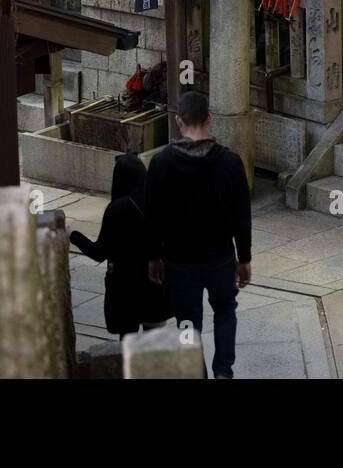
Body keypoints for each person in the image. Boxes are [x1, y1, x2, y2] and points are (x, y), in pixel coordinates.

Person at [145, 91, 252, 379]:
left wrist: (154, 256)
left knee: (186, 322)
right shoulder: (230, 162)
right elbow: (242, 216)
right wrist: (245, 258)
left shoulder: (161, 163)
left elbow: (153, 218)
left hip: (179, 260)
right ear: (209, 119)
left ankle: (194, 373)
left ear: (178, 121)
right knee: (226, 310)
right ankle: (223, 372)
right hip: (220, 255)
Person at [69, 154, 170, 337]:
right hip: (155, 287)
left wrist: (72, 235)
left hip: (125, 290)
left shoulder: (117, 209)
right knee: (155, 346)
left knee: (126, 349)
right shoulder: (160, 202)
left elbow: (99, 252)